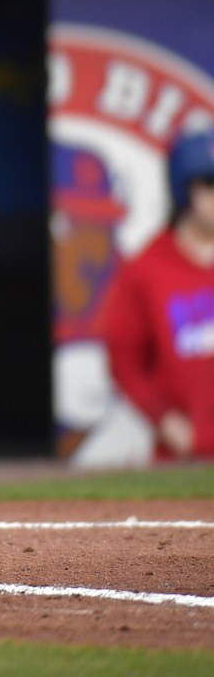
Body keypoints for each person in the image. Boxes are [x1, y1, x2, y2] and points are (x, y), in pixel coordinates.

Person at [100, 131, 214, 462]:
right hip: (185, 456)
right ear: (185, 191)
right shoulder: (146, 268)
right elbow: (123, 358)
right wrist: (163, 419)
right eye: (209, 185)